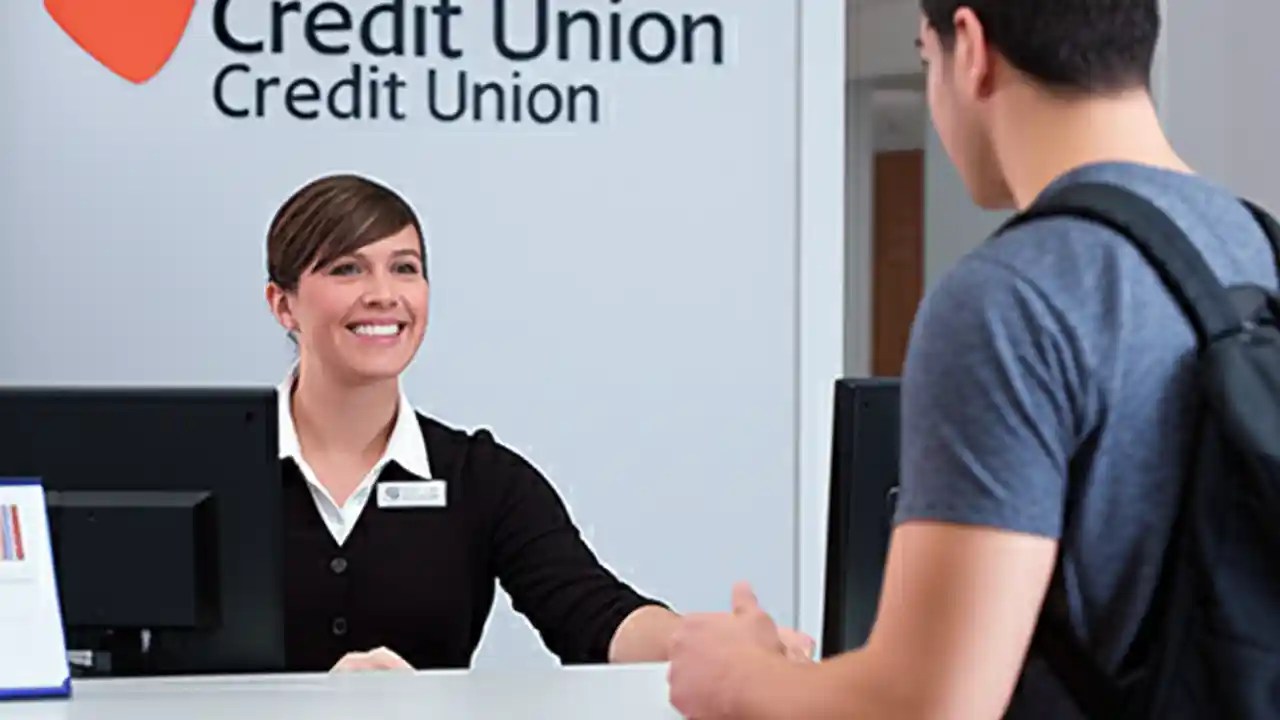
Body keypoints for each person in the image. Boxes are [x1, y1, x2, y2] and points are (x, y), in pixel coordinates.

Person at [666, 1, 1278, 718]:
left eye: (928, 61)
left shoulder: (1012, 297)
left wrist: (736, 677)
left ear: (972, 47)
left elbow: (929, 706)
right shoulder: (1257, 249)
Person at [263, 172, 814, 673]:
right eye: (346, 269)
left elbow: (594, 613)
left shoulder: (482, 477)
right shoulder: (208, 468)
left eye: (404, 268)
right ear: (283, 305)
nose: (384, 294)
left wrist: (709, 643)